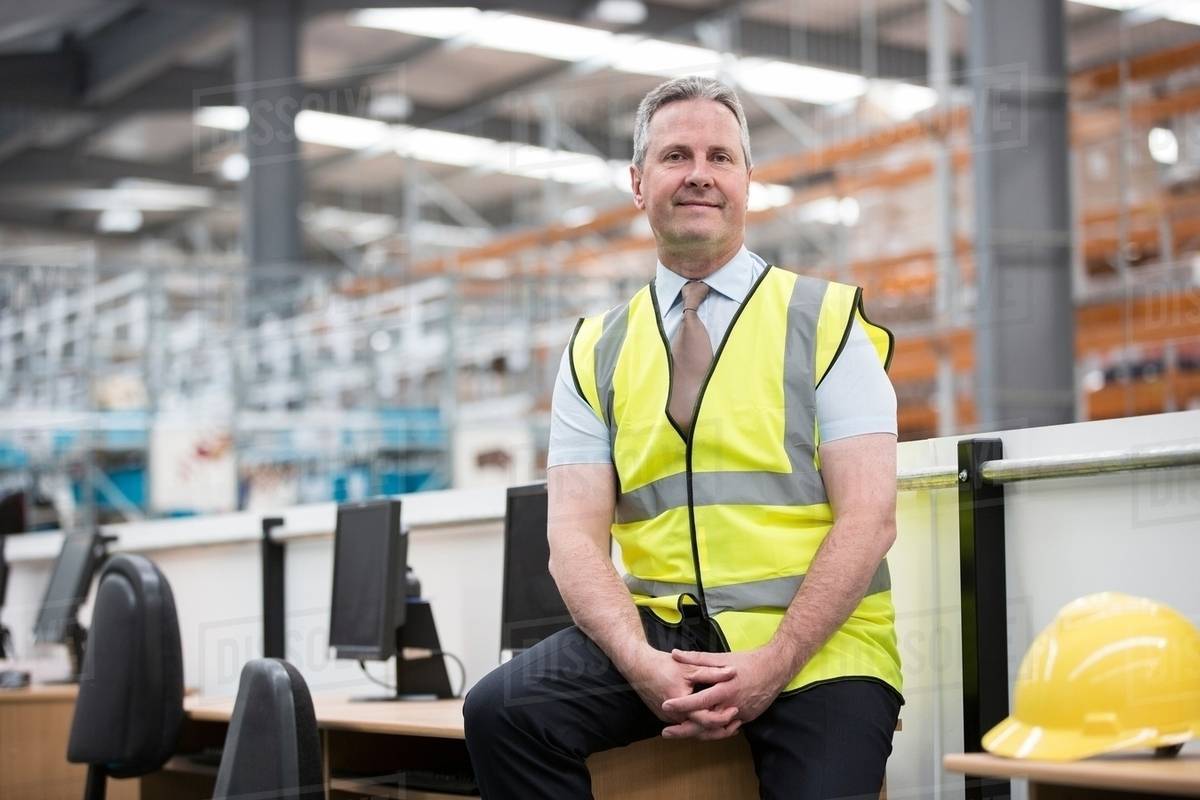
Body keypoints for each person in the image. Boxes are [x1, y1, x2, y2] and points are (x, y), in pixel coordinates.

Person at [464, 75, 903, 800]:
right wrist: (636, 659)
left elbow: (870, 518)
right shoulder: (595, 348)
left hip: (822, 648)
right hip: (667, 636)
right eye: (675, 156)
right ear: (639, 184)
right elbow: (573, 538)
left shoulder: (826, 324)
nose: (699, 173)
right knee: (503, 711)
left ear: (747, 183)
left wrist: (777, 660)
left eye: (720, 157)